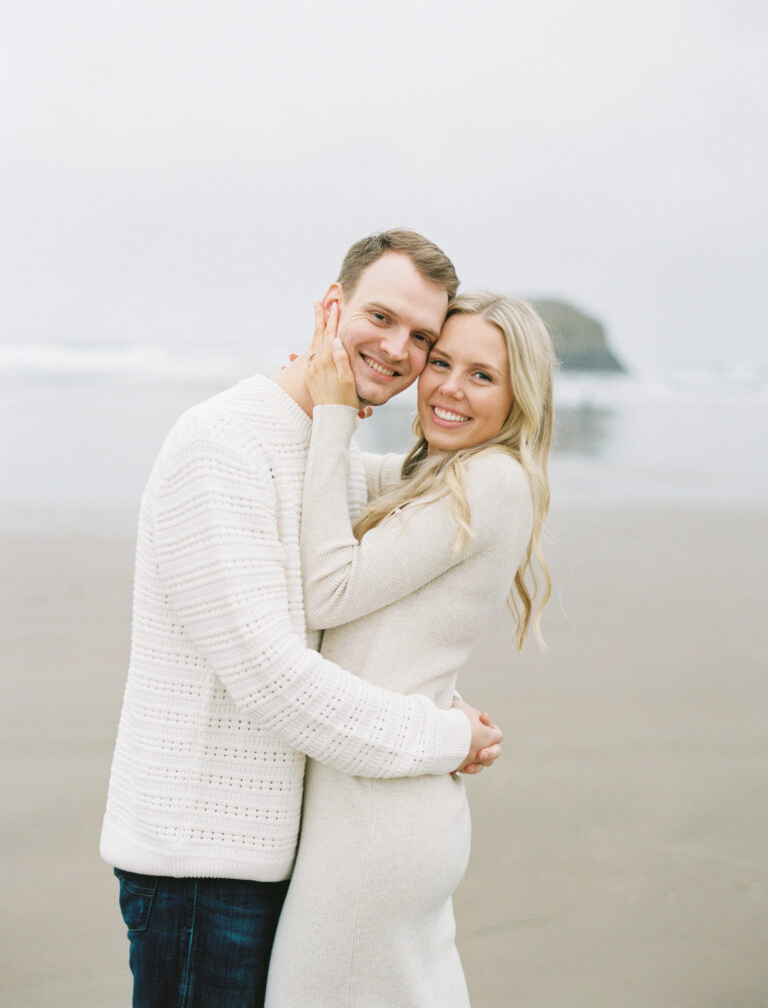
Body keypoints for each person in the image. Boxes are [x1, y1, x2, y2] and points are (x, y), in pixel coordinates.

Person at [100, 230, 504, 1008]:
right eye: (381, 317)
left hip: (277, 858)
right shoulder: (221, 445)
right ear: (331, 306)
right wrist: (443, 736)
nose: (398, 349)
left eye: (423, 337)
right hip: (200, 871)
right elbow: (274, 681)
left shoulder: (328, 455)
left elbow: (436, 499)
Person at [265, 291, 555, 1007]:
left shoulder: (490, 480)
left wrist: (335, 414)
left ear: (521, 394)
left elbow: (328, 590)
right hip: (379, 799)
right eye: (442, 362)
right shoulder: (439, 477)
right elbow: (331, 482)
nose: (450, 388)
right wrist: (316, 388)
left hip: (379, 823)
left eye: (482, 375)